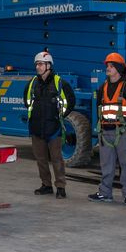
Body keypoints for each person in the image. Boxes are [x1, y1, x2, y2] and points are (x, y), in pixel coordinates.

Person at [89, 53, 126, 205]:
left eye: (111, 66)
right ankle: (105, 193)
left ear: (118, 69)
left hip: (122, 132)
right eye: (107, 66)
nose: (108, 68)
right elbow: (99, 109)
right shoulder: (102, 88)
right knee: (106, 165)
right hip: (106, 132)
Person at [25, 51, 76, 198]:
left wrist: (59, 115)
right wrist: (33, 118)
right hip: (36, 129)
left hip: (54, 129)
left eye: (41, 64)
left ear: (48, 65)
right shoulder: (32, 83)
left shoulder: (60, 83)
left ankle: (60, 187)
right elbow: (27, 102)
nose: (38, 67)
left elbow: (70, 101)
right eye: (37, 64)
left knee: (56, 159)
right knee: (41, 159)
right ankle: (46, 185)